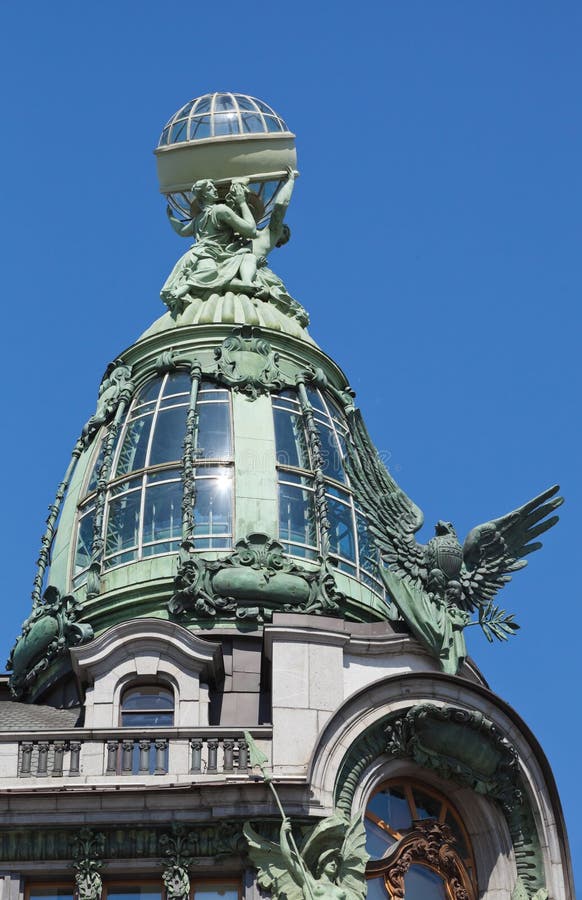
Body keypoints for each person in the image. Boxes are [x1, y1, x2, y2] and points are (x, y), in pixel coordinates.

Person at [161, 179, 258, 312]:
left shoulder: (199, 218)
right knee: (214, 272)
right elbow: (251, 231)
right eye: (210, 188)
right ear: (204, 195)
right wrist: (242, 202)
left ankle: (183, 289)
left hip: (193, 255)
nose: (215, 189)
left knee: (212, 272)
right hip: (210, 254)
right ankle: (184, 288)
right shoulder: (221, 210)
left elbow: (182, 231)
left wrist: (171, 218)